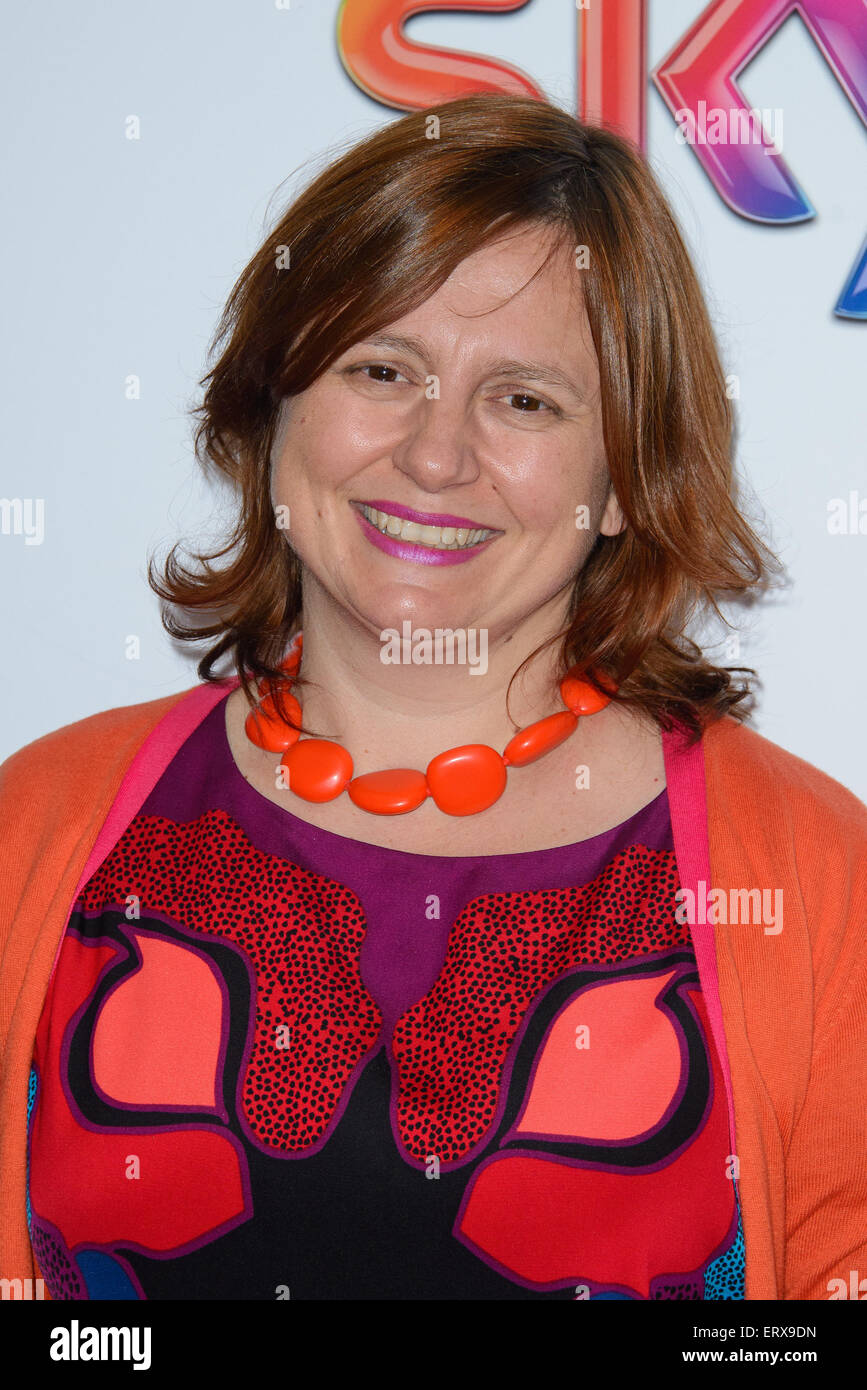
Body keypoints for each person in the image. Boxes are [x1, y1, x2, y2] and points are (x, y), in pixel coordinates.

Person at [1, 92, 865, 1302]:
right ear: (274, 409)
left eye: (526, 399)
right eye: (382, 367)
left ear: (624, 478)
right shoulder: (37, 823)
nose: (436, 453)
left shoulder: (816, 878)